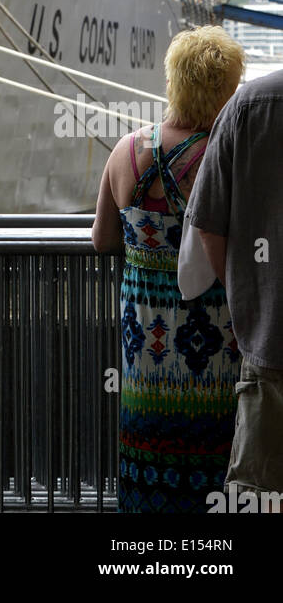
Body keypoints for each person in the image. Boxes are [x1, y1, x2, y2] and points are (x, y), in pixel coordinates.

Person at [91, 25, 245, 511]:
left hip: (143, 343)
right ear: (222, 90)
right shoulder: (225, 156)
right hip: (216, 337)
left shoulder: (125, 152)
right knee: (214, 452)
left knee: (145, 440)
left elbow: (102, 240)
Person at [183, 66, 283, 504]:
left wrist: (247, 294)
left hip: (269, 346)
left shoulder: (248, 105)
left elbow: (207, 223)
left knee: (259, 496)